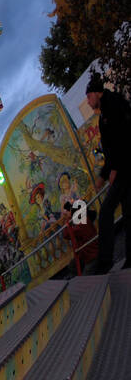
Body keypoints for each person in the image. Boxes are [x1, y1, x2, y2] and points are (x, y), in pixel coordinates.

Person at [89, 73, 131, 273]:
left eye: (89, 97)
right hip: (121, 167)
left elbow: (121, 138)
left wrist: (113, 169)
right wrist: (103, 175)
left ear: (96, 93)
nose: (88, 102)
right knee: (128, 210)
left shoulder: (112, 105)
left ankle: (104, 262)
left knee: (106, 212)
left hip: (124, 168)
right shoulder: (106, 109)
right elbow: (110, 147)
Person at [61, 202, 98, 272]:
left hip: (92, 257)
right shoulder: (84, 219)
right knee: (72, 265)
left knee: (86, 279)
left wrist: (68, 219)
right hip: (87, 255)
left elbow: (66, 235)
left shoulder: (81, 224)